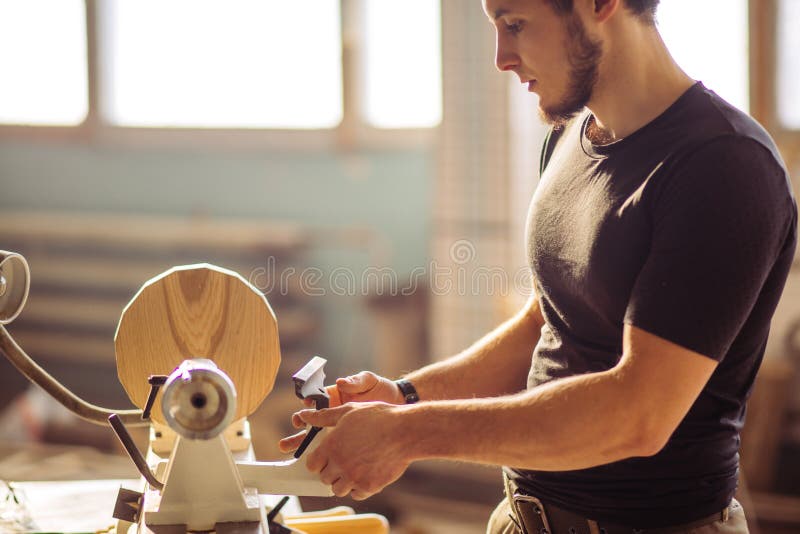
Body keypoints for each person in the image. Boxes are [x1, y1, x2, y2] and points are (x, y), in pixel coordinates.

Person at [280, 0, 798, 532]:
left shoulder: (723, 165)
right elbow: (544, 324)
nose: (502, 58)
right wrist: (405, 396)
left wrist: (407, 432)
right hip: (522, 517)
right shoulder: (572, 135)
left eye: (515, 25)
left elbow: (638, 416)